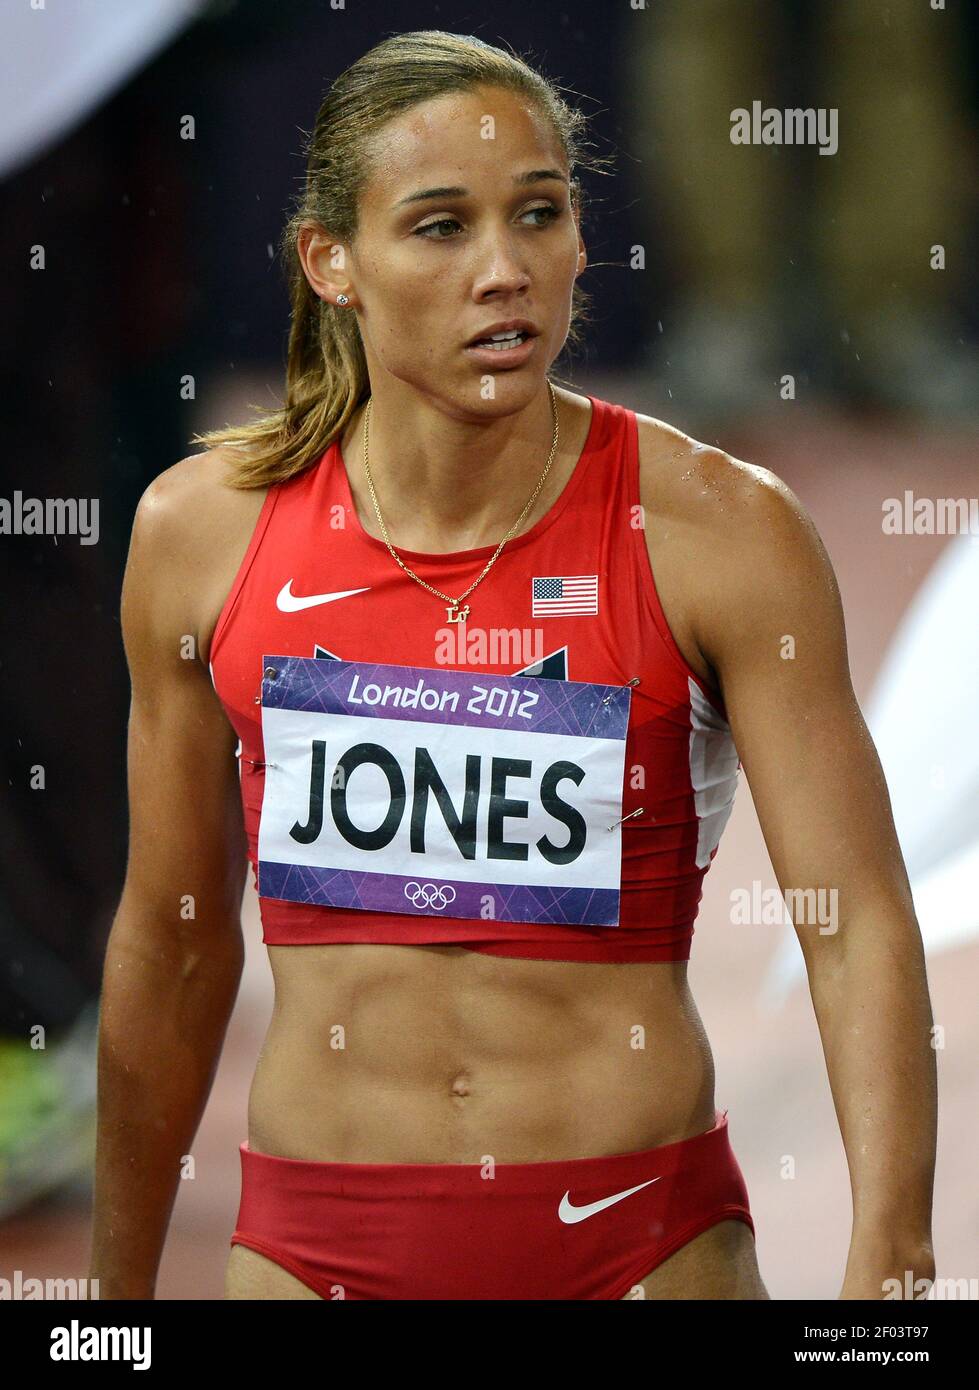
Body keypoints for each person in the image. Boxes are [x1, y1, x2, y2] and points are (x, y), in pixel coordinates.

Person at [89, 30, 936, 1301]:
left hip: (640, 1247)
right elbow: (172, 939)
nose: (506, 270)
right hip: (316, 1253)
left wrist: (896, 1249)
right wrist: (113, 1300)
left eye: (538, 214)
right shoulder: (201, 536)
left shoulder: (721, 530)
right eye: (440, 227)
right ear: (332, 263)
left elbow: (854, 920)